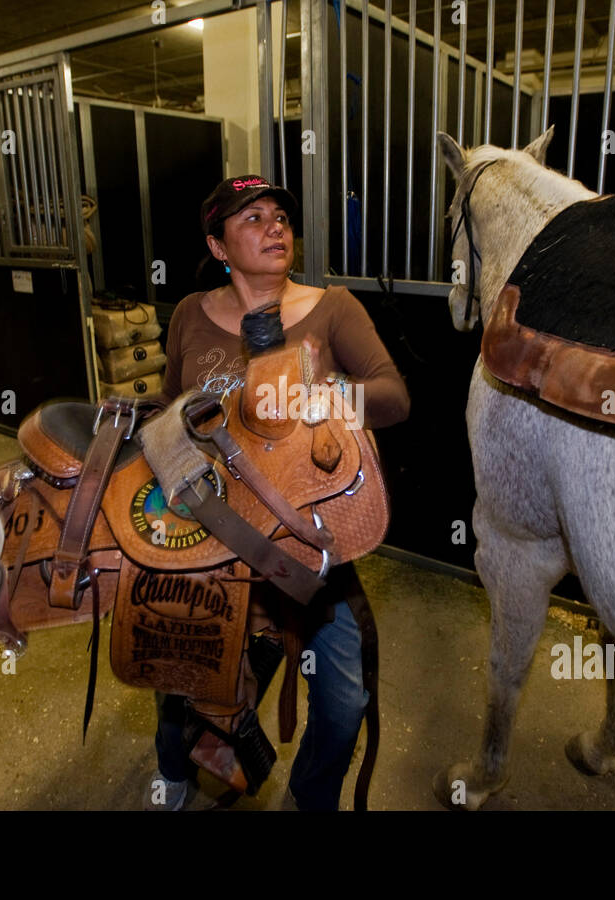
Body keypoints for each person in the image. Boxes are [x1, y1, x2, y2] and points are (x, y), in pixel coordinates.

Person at [147, 174, 410, 811]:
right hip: (209, 529)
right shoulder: (188, 313)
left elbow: (395, 399)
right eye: (253, 218)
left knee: (346, 699)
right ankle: (173, 773)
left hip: (302, 534)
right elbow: (166, 407)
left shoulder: (332, 308)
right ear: (217, 245)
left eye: (281, 218)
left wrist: (320, 392)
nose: (275, 227)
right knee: (177, 672)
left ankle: (309, 797)